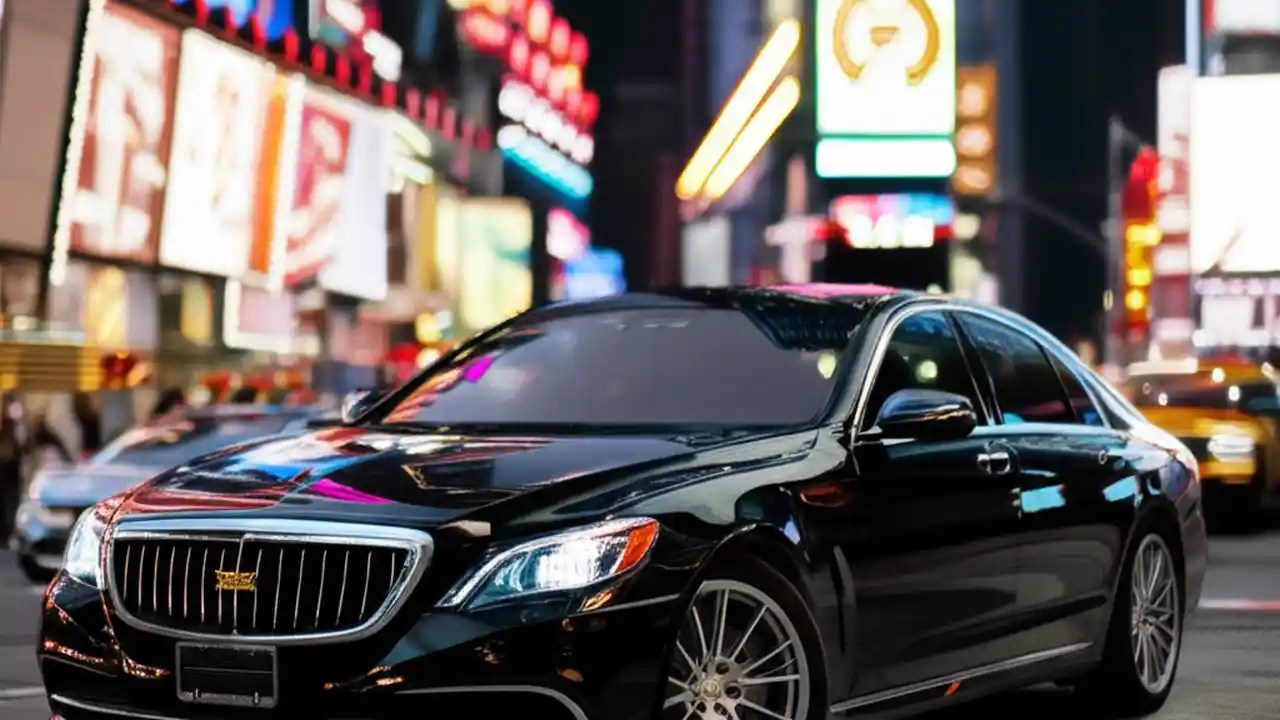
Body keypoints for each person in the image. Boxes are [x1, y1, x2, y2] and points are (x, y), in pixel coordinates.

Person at [0, 394, 25, 538]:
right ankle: (6, 531)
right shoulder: (7, 426)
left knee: (12, 501)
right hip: (5, 468)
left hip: (12, 468)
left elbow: (23, 447)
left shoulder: (16, 426)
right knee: (6, 501)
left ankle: (8, 530)